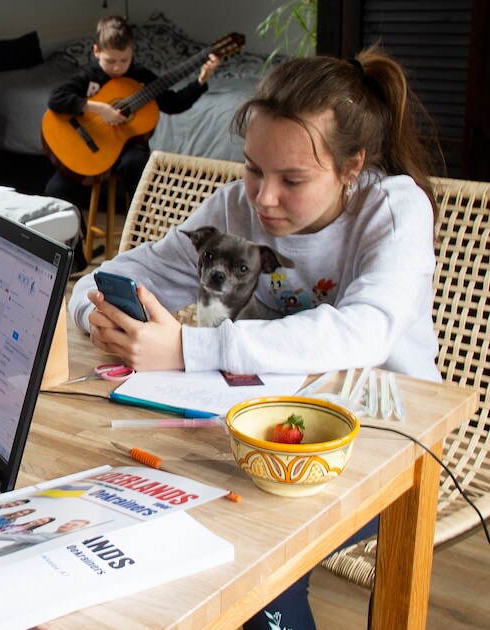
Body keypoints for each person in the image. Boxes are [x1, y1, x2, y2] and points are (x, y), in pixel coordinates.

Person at [69, 46, 439, 630]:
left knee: (249, 554)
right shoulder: (239, 206)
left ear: (350, 166)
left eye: (293, 179)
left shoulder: (392, 208)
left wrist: (191, 349)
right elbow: (114, 276)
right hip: (259, 423)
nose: (263, 198)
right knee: (150, 515)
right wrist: (99, 316)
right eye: (253, 168)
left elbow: (365, 331)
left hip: (385, 436)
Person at [44, 15, 219, 212]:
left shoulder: (139, 75)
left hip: (128, 149)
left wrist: (201, 81)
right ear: (96, 52)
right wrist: (99, 108)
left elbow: (173, 104)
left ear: (132, 51)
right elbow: (56, 98)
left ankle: (136, 226)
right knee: (56, 191)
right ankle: (74, 241)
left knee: (136, 163)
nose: (117, 67)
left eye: (124, 60)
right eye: (110, 61)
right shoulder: (89, 75)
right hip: (91, 150)